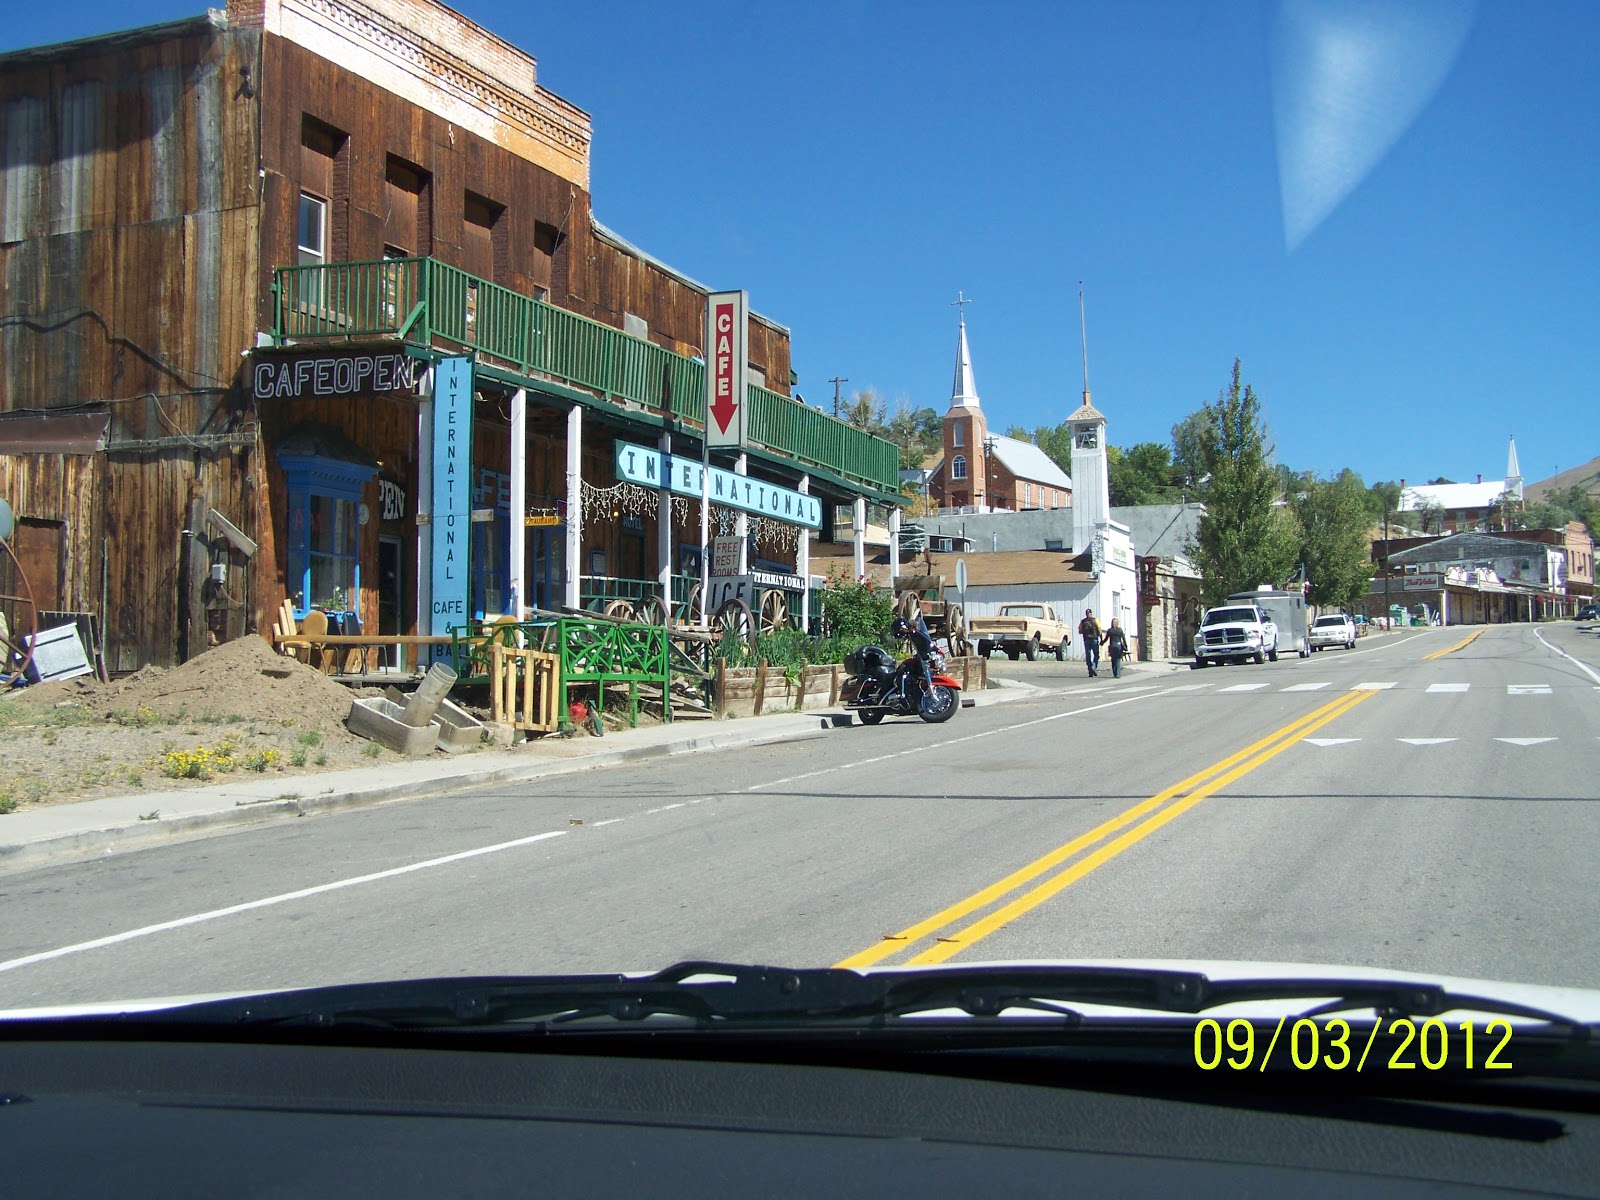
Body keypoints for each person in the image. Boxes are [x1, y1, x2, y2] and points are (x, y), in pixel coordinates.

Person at [1078, 608, 1102, 677]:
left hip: (1086, 639)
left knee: (1088, 655)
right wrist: (1101, 639)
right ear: (1091, 613)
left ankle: (1090, 670)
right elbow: (1100, 631)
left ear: (1086, 614)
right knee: (1096, 654)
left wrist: (1085, 632)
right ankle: (1093, 666)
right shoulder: (1095, 620)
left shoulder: (1083, 621)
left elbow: (1079, 631)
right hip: (1094, 639)